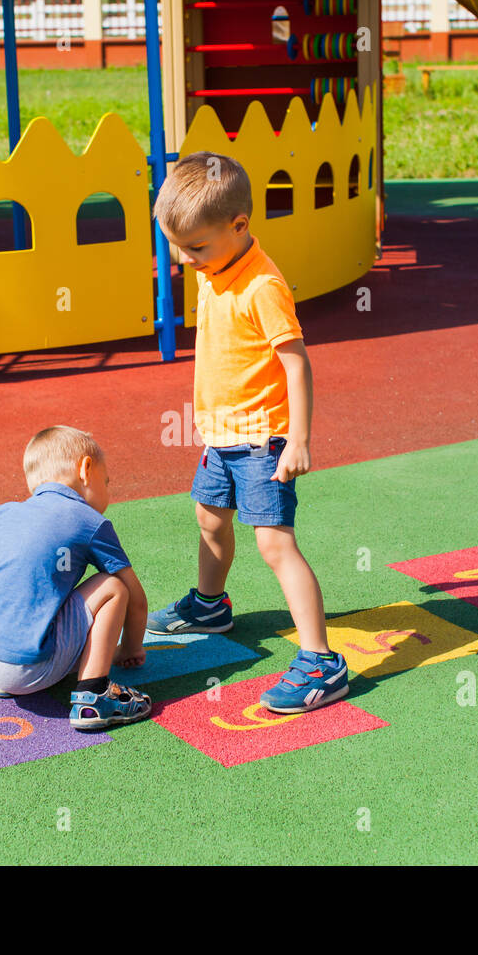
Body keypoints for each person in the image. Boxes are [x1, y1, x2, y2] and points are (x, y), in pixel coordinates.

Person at [147, 151, 348, 713]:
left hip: (264, 441)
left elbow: (296, 363)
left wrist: (300, 439)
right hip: (221, 437)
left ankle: (321, 661)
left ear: (239, 226)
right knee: (210, 519)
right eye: (177, 246)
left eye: (195, 247)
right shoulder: (216, 267)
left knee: (274, 543)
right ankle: (210, 604)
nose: (184, 259)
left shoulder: (262, 285)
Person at [0, 425, 151, 730]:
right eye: (106, 482)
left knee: (55, 590)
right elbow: (135, 599)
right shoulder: (90, 521)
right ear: (86, 468)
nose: (108, 492)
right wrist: (130, 649)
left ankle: (11, 681)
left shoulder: (1, 513)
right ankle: (94, 695)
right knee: (112, 587)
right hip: (29, 667)